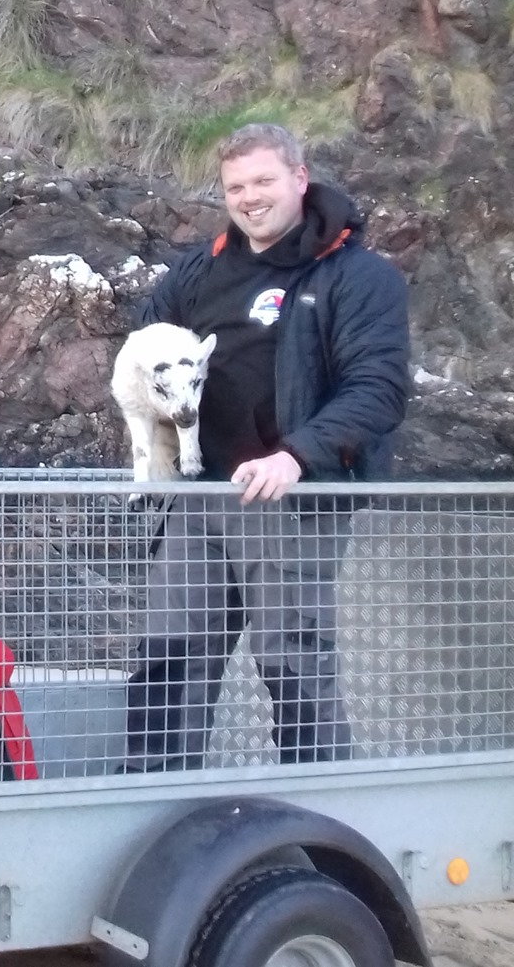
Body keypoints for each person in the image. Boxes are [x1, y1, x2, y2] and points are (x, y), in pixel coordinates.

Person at [125, 123, 410, 772]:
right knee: (167, 659)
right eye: (235, 186)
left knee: (292, 660)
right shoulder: (201, 268)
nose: (249, 197)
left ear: (299, 178)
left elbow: (379, 389)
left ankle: (324, 811)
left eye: (263, 181)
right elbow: (145, 344)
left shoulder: (358, 277)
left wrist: (295, 455)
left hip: (288, 499)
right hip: (196, 499)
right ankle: (148, 801)